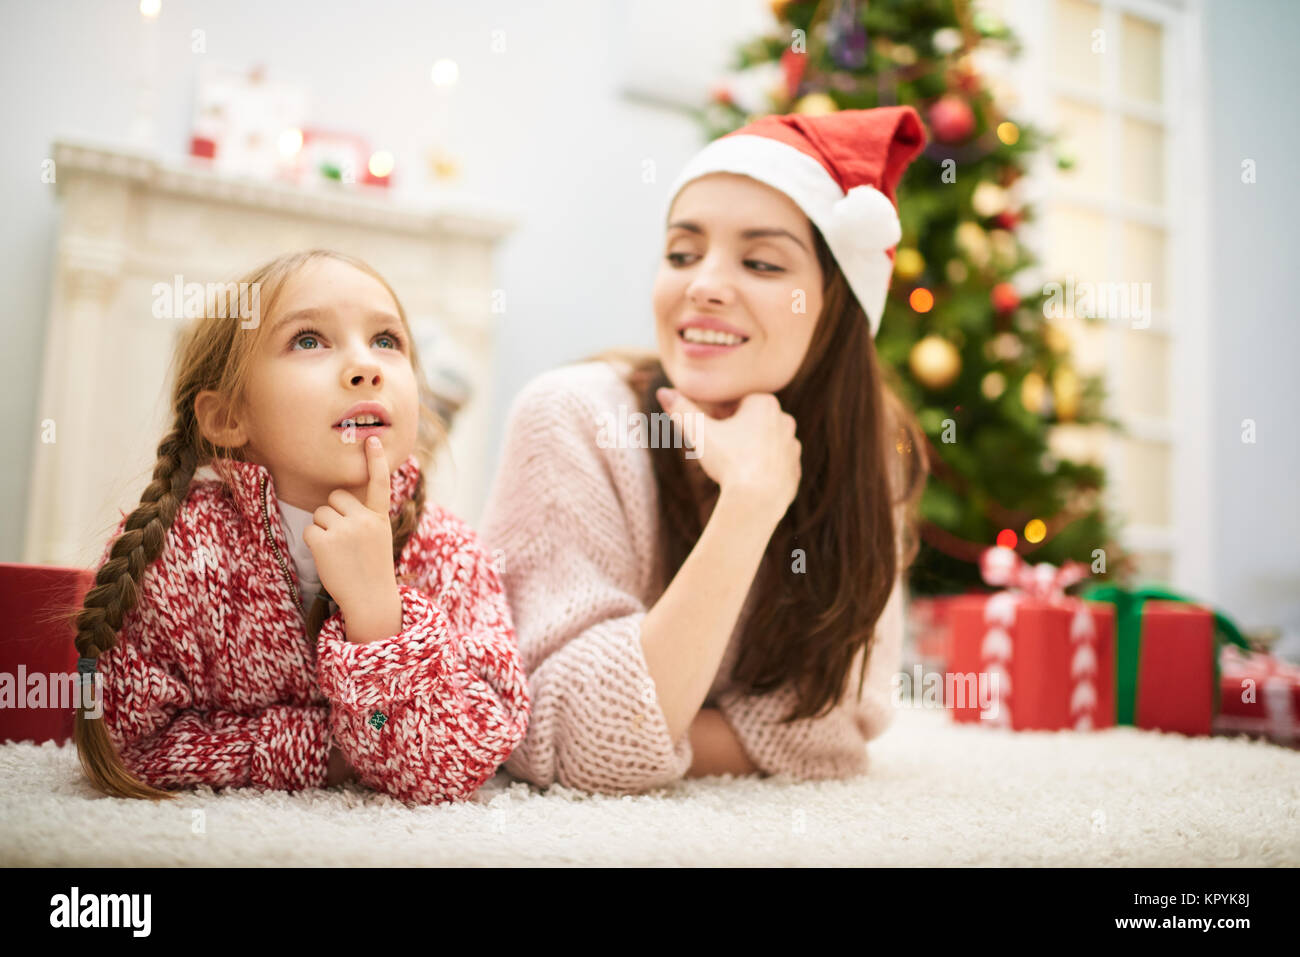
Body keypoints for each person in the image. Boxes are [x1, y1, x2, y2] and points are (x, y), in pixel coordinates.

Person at [479, 106, 930, 794]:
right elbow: (564, 738)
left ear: (835, 303)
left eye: (760, 261)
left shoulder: (867, 456)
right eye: (682, 253)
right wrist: (748, 506)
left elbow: (839, 727)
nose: (703, 284)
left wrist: (662, 721)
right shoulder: (568, 418)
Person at [70, 249, 530, 806]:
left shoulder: (451, 554)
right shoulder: (177, 553)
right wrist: (315, 749)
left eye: (387, 340)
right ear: (228, 418)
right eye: (309, 341)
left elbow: (460, 760)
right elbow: (130, 744)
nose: (367, 366)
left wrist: (379, 616)